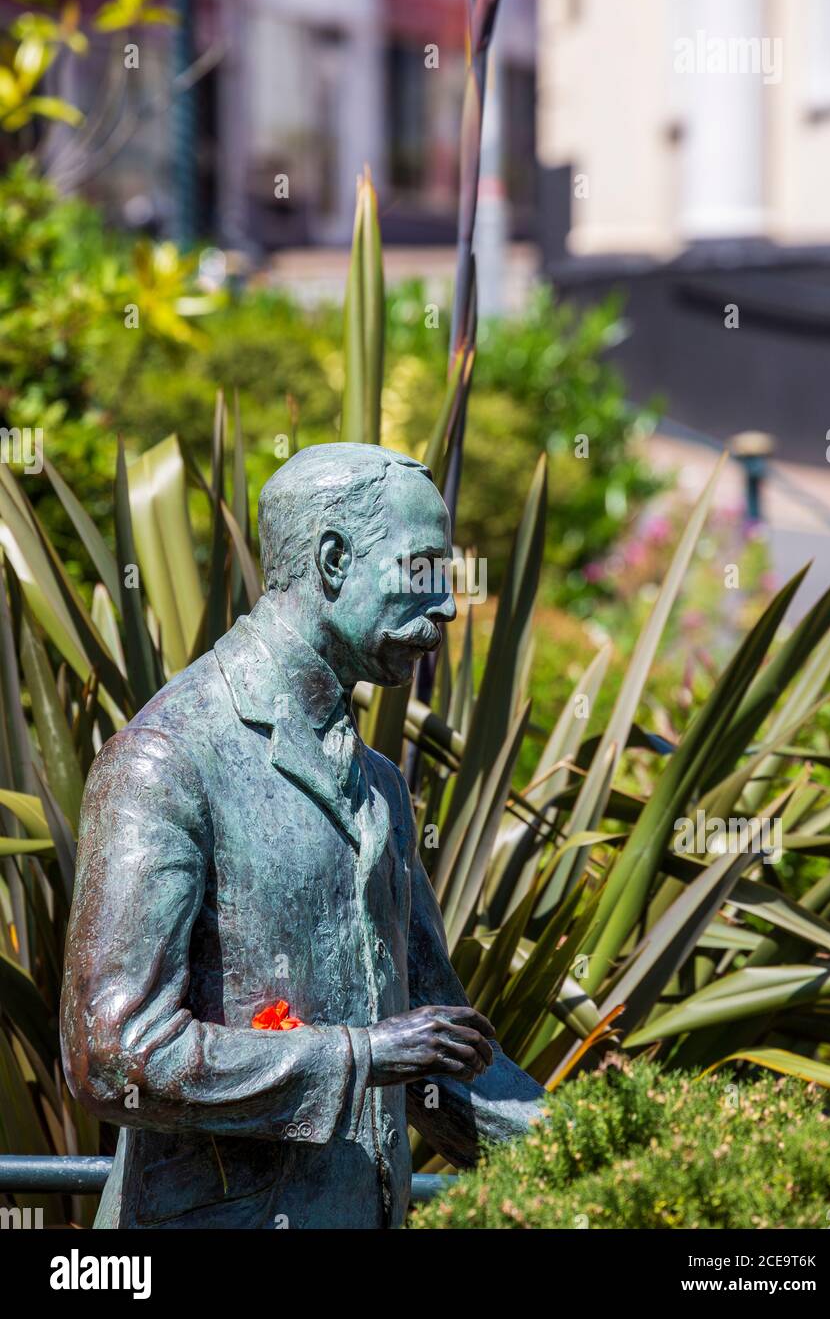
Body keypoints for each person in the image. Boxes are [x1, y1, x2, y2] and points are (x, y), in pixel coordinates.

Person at [61, 443, 542, 1229]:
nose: (448, 605)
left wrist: (625, 1157)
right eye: (422, 571)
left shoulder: (379, 783)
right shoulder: (167, 759)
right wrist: (359, 1057)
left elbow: (442, 1059)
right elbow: (111, 1058)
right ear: (332, 559)